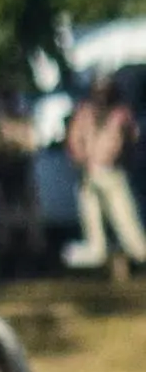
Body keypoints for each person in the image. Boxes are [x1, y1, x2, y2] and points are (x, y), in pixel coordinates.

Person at [63, 77, 146, 280]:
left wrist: (120, 158)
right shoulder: (85, 112)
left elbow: (132, 140)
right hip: (91, 174)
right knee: (93, 223)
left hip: (111, 173)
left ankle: (139, 256)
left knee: (125, 219)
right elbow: (74, 140)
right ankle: (100, 259)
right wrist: (82, 160)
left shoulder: (121, 114)